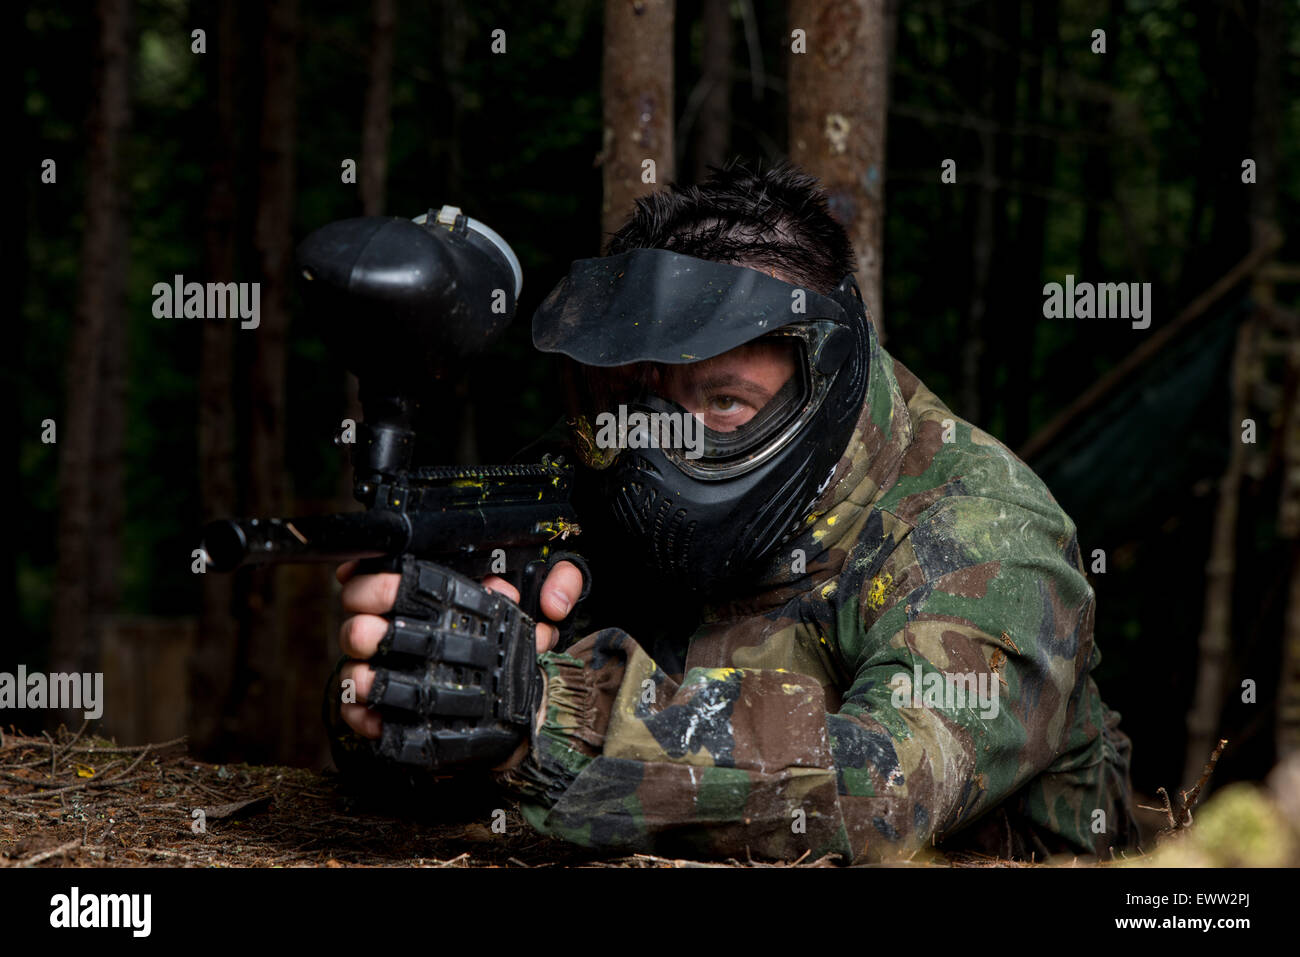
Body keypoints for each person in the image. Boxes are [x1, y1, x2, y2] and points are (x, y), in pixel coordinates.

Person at [327, 162, 1139, 863]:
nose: (661, 449)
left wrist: (549, 712)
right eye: (643, 401)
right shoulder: (607, 460)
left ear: (820, 375)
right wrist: (423, 680)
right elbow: (439, 754)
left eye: (723, 403)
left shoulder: (982, 533)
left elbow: (890, 786)